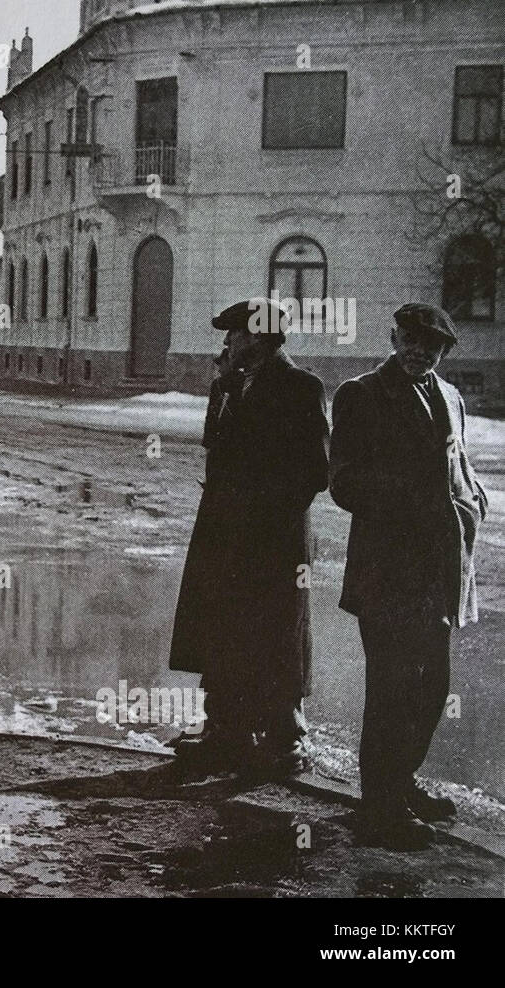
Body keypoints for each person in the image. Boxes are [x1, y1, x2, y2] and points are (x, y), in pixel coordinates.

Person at [330, 303, 488, 851]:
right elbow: (344, 483)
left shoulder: (449, 395)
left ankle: (402, 783)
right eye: (411, 340)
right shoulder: (362, 394)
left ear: (443, 353)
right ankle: (380, 808)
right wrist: (413, 501)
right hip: (389, 570)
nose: (420, 352)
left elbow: (459, 466)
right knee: (393, 689)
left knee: (431, 688)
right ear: (392, 336)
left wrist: (473, 501)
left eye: (433, 347)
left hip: (441, 570)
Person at [168, 299, 329, 779]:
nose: (226, 343)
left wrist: (260, 509)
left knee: (277, 635)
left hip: (274, 542)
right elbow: (215, 454)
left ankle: (285, 741)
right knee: (223, 628)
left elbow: (315, 473)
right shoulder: (226, 386)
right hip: (224, 534)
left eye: (234, 334)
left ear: (258, 337)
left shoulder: (302, 389)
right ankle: (227, 733)